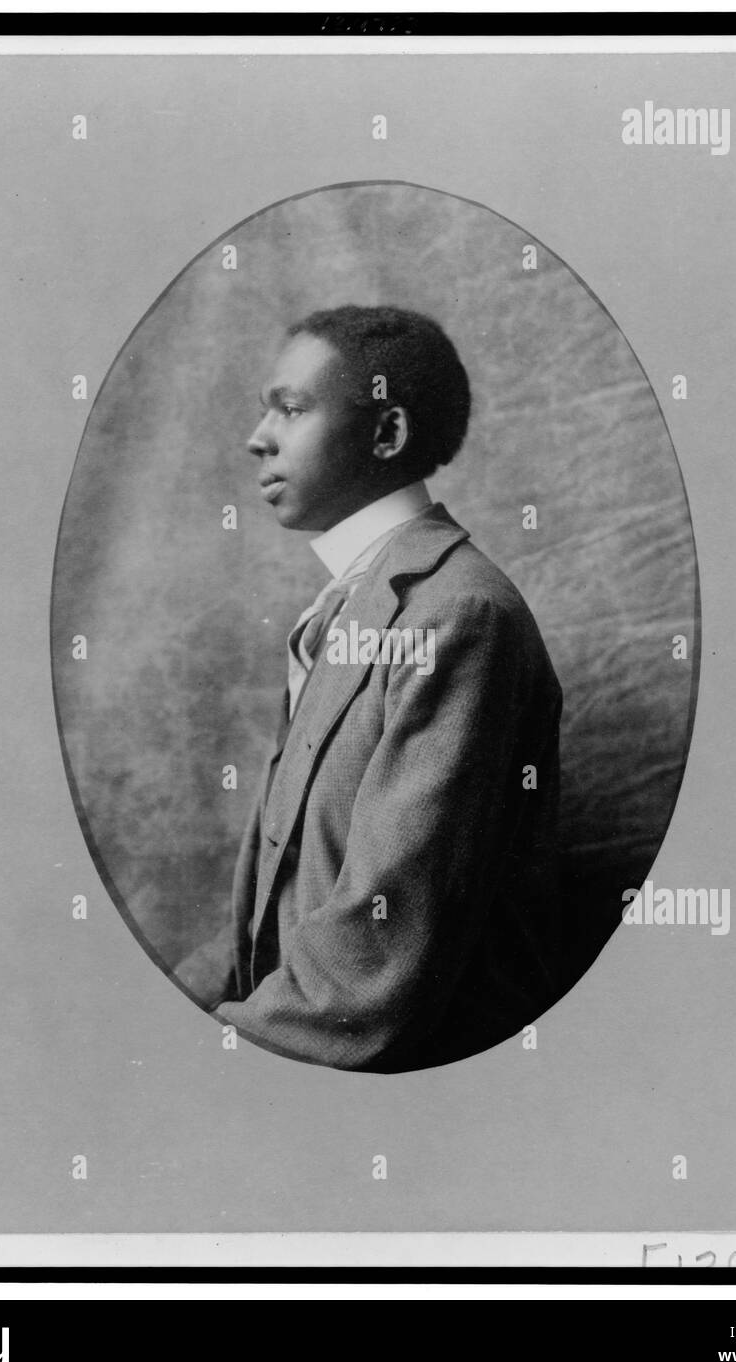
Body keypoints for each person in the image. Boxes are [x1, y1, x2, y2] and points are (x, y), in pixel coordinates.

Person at [205, 305, 563, 1072]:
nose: (257, 436)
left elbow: (381, 938)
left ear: (387, 435)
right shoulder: (345, 607)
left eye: (292, 408)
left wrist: (207, 1058)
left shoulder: (456, 614)